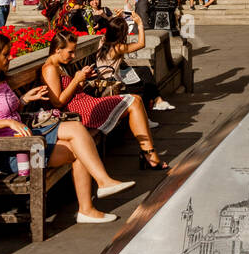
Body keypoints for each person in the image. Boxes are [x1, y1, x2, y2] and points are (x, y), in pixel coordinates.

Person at [0, 31, 132, 224]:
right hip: (10, 154)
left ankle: (92, 200)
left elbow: (1, 109)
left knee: (78, 137)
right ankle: (96, 194)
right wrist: (7, 122)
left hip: (27, 142)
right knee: (78, 143)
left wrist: (24, 99)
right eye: (5, 54)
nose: (10, 57)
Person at [41, 32, 169, 169]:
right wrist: (76, 80)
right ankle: (149, 155)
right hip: (79, 111)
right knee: (134, 101)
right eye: (70, 52)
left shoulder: (59, 66)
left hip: (84, 103)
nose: (73, 56)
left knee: (136, 99)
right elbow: (57, 102)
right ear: (58, 49)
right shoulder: (50, 69)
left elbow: (68, 92)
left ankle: (149, 153)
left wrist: (81, 80)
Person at [98, 13, 174, 111]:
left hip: (107, 76)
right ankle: (146, 113)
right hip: (111, 81)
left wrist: (118, 18)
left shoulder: (104, 40)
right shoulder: (118, 47)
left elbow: (112, 27)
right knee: (141, 84)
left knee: (144, 70)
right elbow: (141, 44)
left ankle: (158, 100)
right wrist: (140, 24)